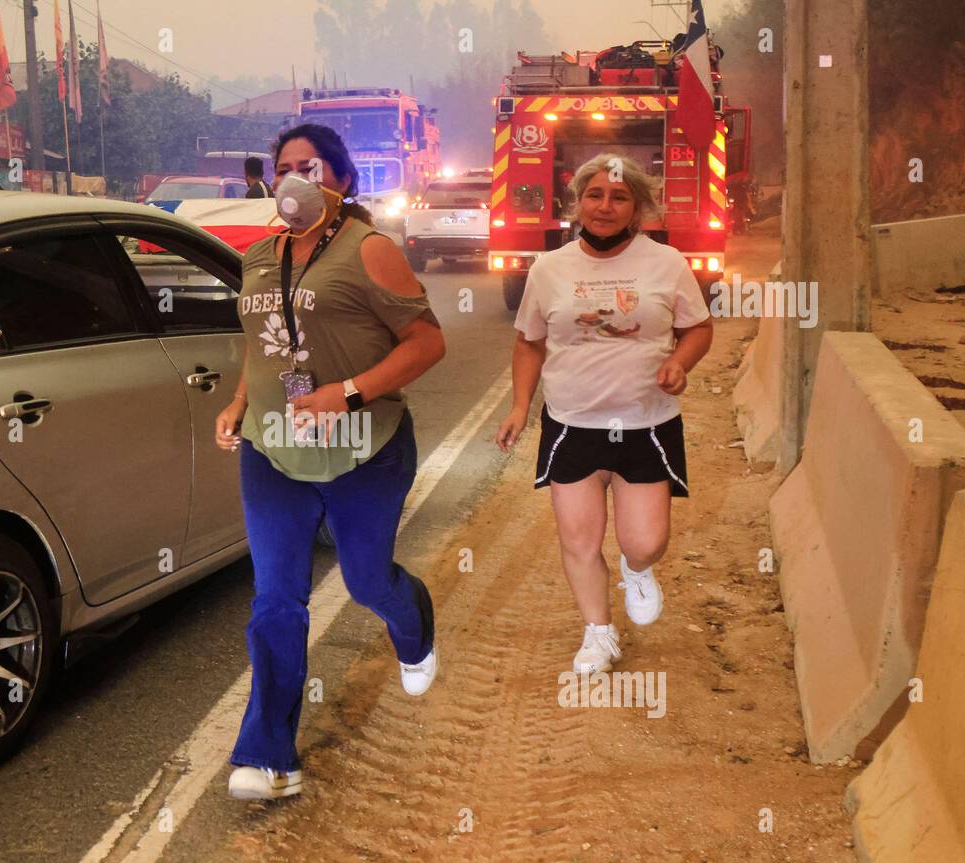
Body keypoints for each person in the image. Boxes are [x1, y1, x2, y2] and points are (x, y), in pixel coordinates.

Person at [216, 123, 446, 800]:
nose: (294, 178)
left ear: (341, 180)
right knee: (275, 599)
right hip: (273, 450)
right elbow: (262, 346)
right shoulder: (260, 254)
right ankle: (268, 758)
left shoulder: (370, 251)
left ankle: (415, 633)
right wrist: (238, 404)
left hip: (363, 448)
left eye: (309, 166)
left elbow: (427, 344)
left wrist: (346, 394)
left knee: (367, 582)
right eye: (284, 167)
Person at [496, 153, 713, 676]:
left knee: (647, 541)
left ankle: (636, 569)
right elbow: (529, 342)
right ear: (578, 202)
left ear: (637, 209)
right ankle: (598, 633)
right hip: (572, 422)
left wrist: (680, 362)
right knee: (578, 539)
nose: (605, 206)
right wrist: (521, 406)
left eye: (619, 197)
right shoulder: (550, 268)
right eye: (595, 195)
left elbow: (699, 328)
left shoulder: (667, 263)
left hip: (646, 423)